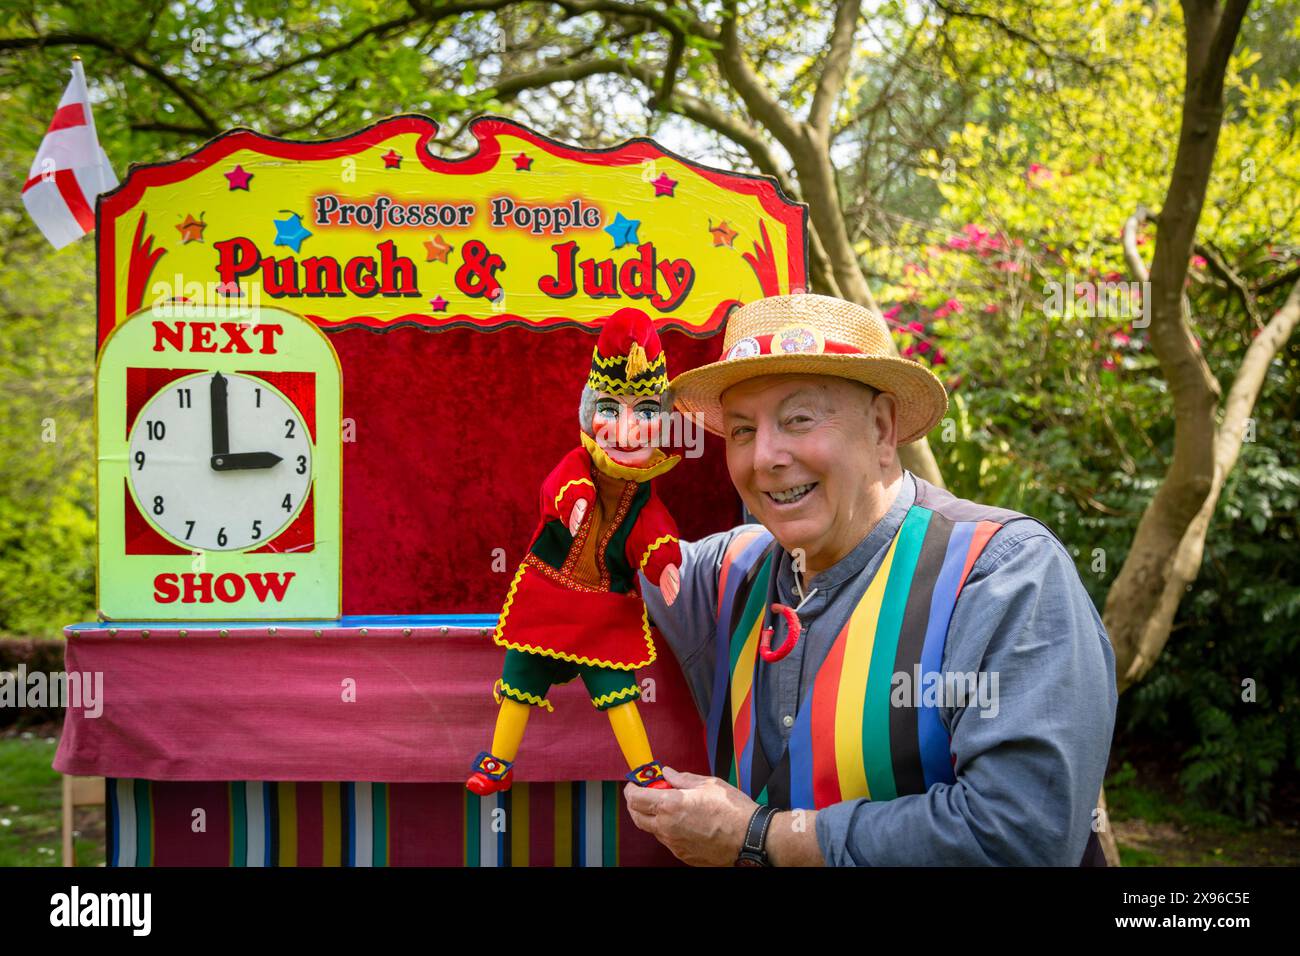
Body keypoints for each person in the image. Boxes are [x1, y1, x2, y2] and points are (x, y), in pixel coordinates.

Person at [626, 293, 1118, 866]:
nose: (763, 457)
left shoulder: (1003, 573)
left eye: (798, 419)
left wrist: (761, 837)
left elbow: (1021, 835)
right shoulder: (725, 574)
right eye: (741, 430)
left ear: (883, 429)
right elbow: (592, 562)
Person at [467, 308, 682, 795]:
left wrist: (664, 562)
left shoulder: (642, 490)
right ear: (589, 412)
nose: (626, 431)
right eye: (611, 409)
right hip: (549, 596)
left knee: (617, 690)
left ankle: (645, 768)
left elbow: (652, 530)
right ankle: (499, 761)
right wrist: (577, 505)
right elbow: (562, 486)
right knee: (520, 677)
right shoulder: (578, 463)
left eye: (645, 413)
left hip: (604, 607)